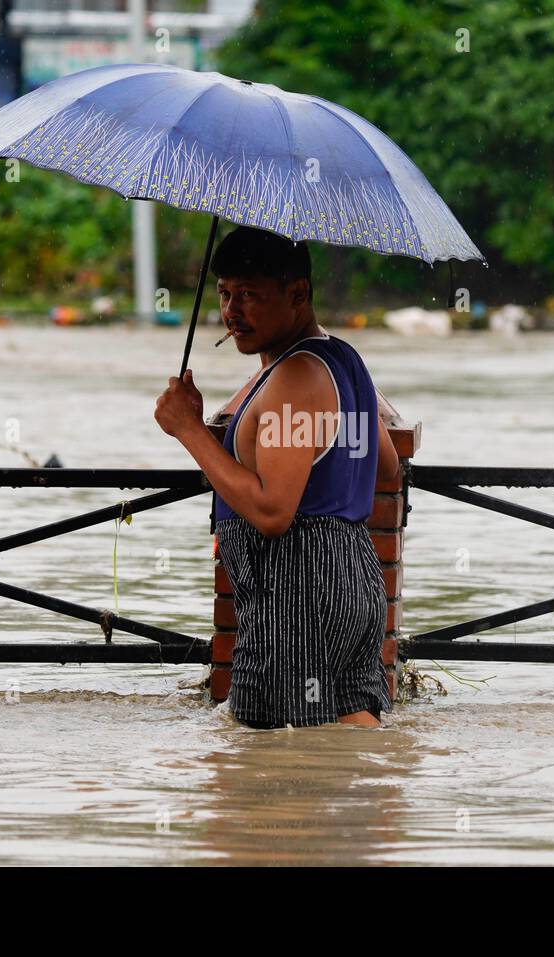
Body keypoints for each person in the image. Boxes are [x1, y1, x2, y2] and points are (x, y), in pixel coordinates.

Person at [153, 225, 400, 729]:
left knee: (272, 750)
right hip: (353, 578)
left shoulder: (293, 378)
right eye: (224, 293)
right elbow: (390, 464)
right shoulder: (344, 361)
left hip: (298, 586)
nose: (232, 311)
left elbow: (271, 512)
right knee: (347, 727)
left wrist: (190, 431)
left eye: (250, 296)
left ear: (298, 295)